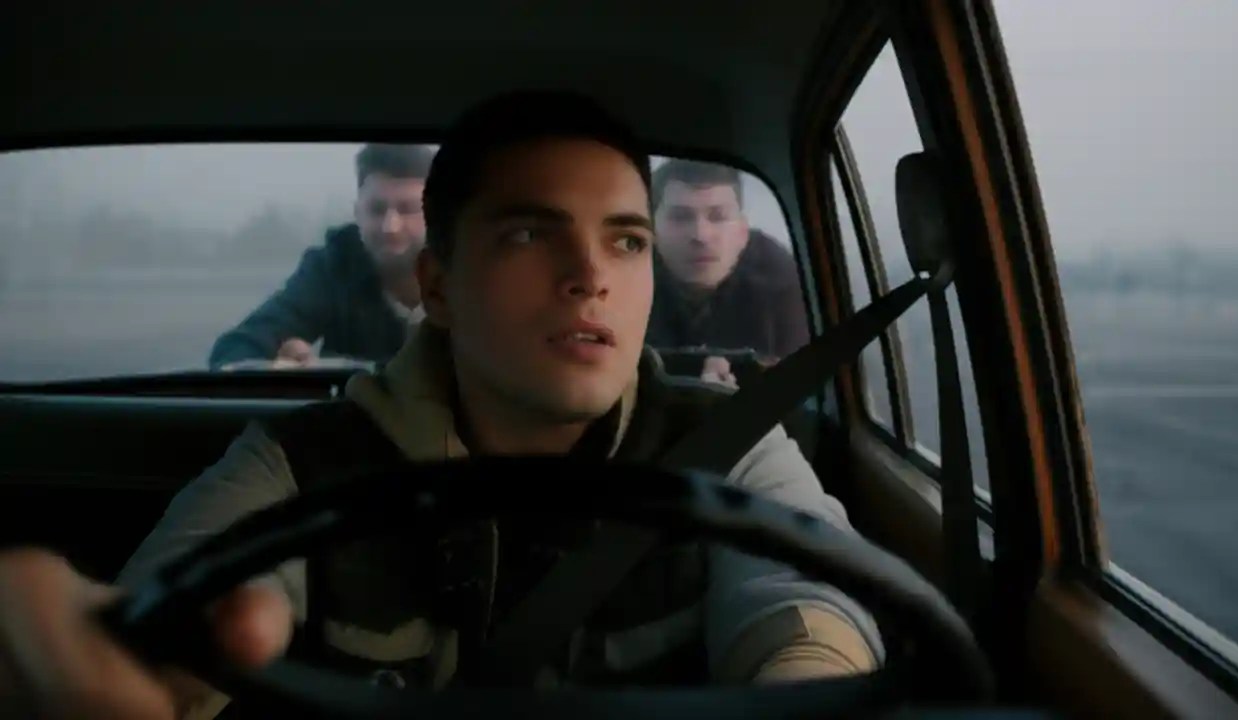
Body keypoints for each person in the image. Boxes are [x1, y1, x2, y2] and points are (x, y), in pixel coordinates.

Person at [0, 91, 883, 719]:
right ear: (439, 284)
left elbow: (807, 607)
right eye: (531, 233)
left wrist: (807, 686)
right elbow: (187, 605)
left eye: (626, 240)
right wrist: (133, 677)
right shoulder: (304, 463)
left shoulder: (731, 442)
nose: (590, 275)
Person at [208, 143, 436, 369]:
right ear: (358, 213)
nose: (391, 226)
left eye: (408, 209)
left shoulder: (464, 265)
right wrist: (281, 370)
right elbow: (233, 352)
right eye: (377, 209)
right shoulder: (335, 264)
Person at [646, 159, 811, 385]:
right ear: (652, 230)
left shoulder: (778, 278)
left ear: (743, 233)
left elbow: (805, 389)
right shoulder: (626, 277)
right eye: (681, 217)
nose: (701, 235)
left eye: (718, 216)